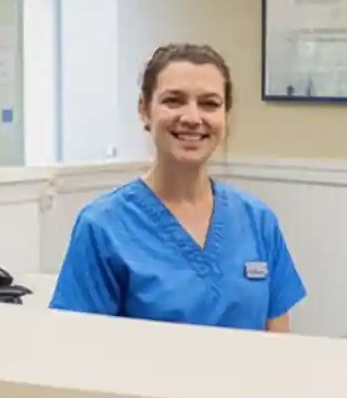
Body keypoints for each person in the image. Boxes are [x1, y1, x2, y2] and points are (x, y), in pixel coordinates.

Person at [49, 43, 307, 332]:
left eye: (210, 104)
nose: (192, 118)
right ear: (144, 110)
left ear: (226, 117)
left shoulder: (258, 222)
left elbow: (280, 347)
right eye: (174, 101)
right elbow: (76, 348)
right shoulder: (103, 228)